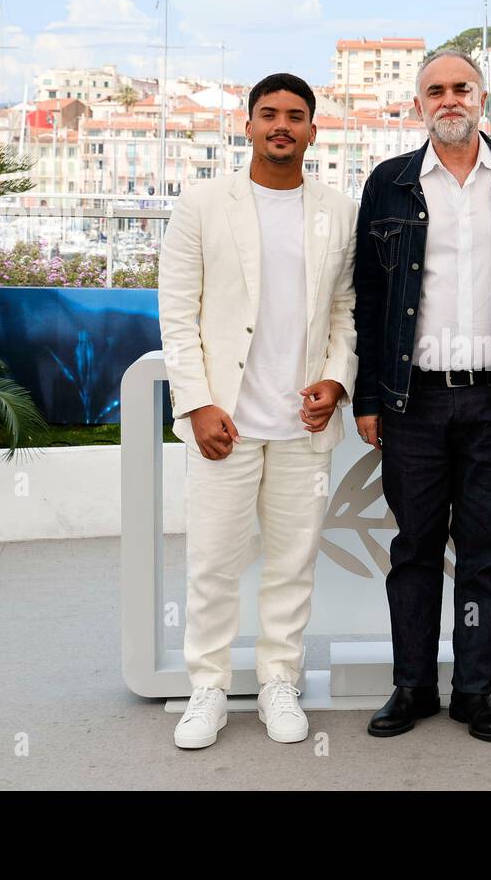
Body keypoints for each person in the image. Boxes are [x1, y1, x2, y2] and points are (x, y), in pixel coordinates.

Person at [352, 50, 491, 742]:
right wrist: (368, 397)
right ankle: (412, 686)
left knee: (486, 549)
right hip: (412, 400)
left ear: (482, 99)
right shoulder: (389, 184)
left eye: (461, 88)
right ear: (419, 105)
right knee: (414, 547)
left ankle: (474, 690)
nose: (449, 99)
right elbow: (370, 299)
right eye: (435, 90)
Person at [157, 73, 359, 748]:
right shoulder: (203, 204)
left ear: (312, 130)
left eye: (295, 116)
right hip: (225, 425)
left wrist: (335, 381)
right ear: (246, 125)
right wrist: (199, 404)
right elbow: (177, 317)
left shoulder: (336, 209)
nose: (282, 125)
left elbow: (345, 311)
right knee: (213, 565)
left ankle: (280, 681)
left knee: (292, 565)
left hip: (302, 424)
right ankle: (207, 688)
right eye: (269, 114)